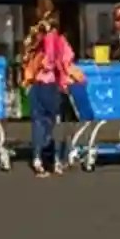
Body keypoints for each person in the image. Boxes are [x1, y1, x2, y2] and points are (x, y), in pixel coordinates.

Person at [22, 13, 82, 177]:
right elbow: (65, 61)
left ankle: (37, 158)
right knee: (55, 124)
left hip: (35, 85)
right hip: (51, 85)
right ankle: (55, 160)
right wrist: (75, 79)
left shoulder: (34, 40)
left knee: (38, 123)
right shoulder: (57, 40)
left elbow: (26, 58)